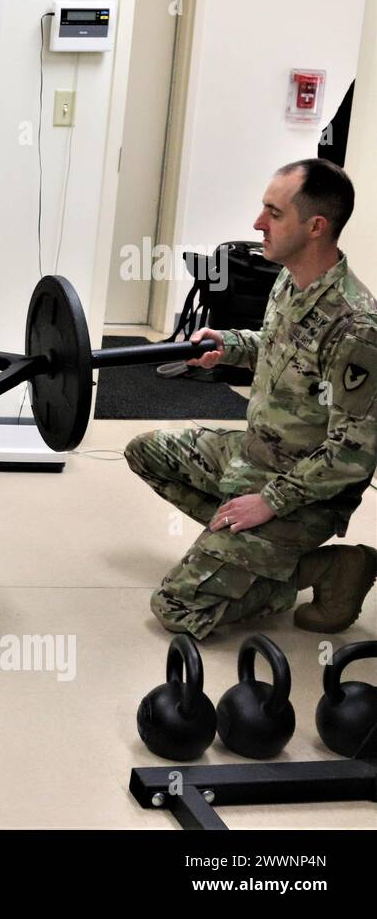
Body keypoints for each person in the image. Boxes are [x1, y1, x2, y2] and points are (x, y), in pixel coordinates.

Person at [126, 158, 377, 637]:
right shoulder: (289, 279)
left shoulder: (356, 327)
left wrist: (269, 502)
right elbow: (277, 345)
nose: (257, 223)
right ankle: (255, 551)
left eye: (274, 213)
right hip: (253, 454)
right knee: (145, 451)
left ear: (316, 226)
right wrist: (229, 347)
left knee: (177, 607)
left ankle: (320, 569)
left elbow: (353, 454)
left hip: (304, 493)